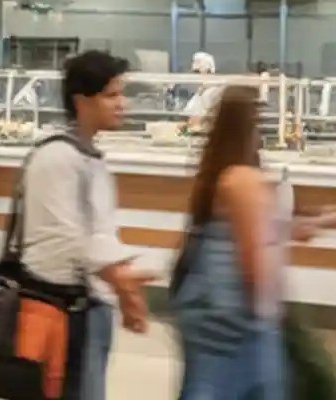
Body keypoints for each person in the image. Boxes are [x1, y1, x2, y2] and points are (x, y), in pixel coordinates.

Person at [20, 50, 156, 400]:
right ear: (82, 101)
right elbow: (69, 239)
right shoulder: (57, 158)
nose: (122, 103)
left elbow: (97, 232)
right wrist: (123, 284)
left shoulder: (88, 156)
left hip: (89, 305)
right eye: (111, 95)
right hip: (63, 309)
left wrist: (123, 291)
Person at [173, 86, 288, 399]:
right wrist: (271, 316)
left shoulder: (213, 174)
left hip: (203, 309)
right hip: (235, 317)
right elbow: (254, 258)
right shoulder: (243, 179)